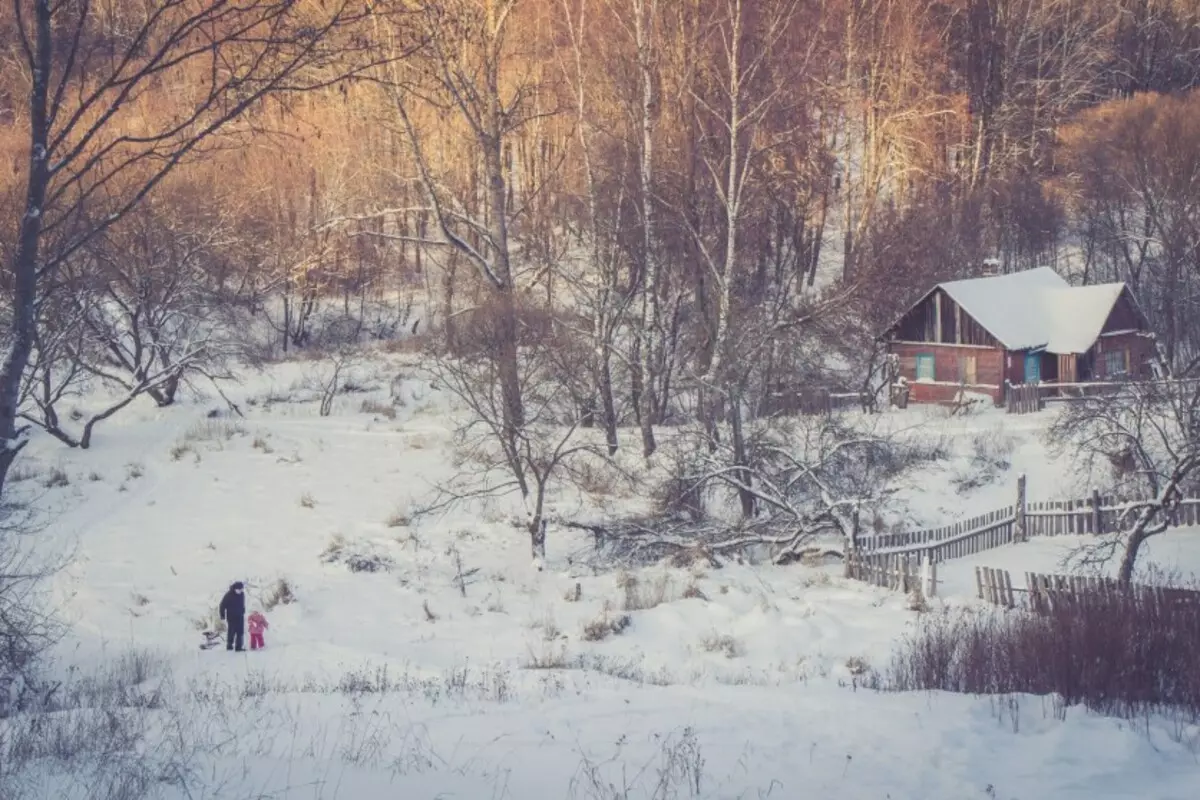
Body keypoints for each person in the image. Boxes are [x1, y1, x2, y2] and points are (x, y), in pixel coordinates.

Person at [218, 581, 246, 651]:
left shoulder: (242, 594)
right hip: (231, 617)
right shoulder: (228, 595)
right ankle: (229, 645)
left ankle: (239, 647)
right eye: (239, 589)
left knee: (240, 632)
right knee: (232, 631)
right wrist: (222, 615)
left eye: (241, 589)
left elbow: (242, 603)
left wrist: (243, 610)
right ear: (235, 589)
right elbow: (222, 605)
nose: (240, 591)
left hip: (240, 616)